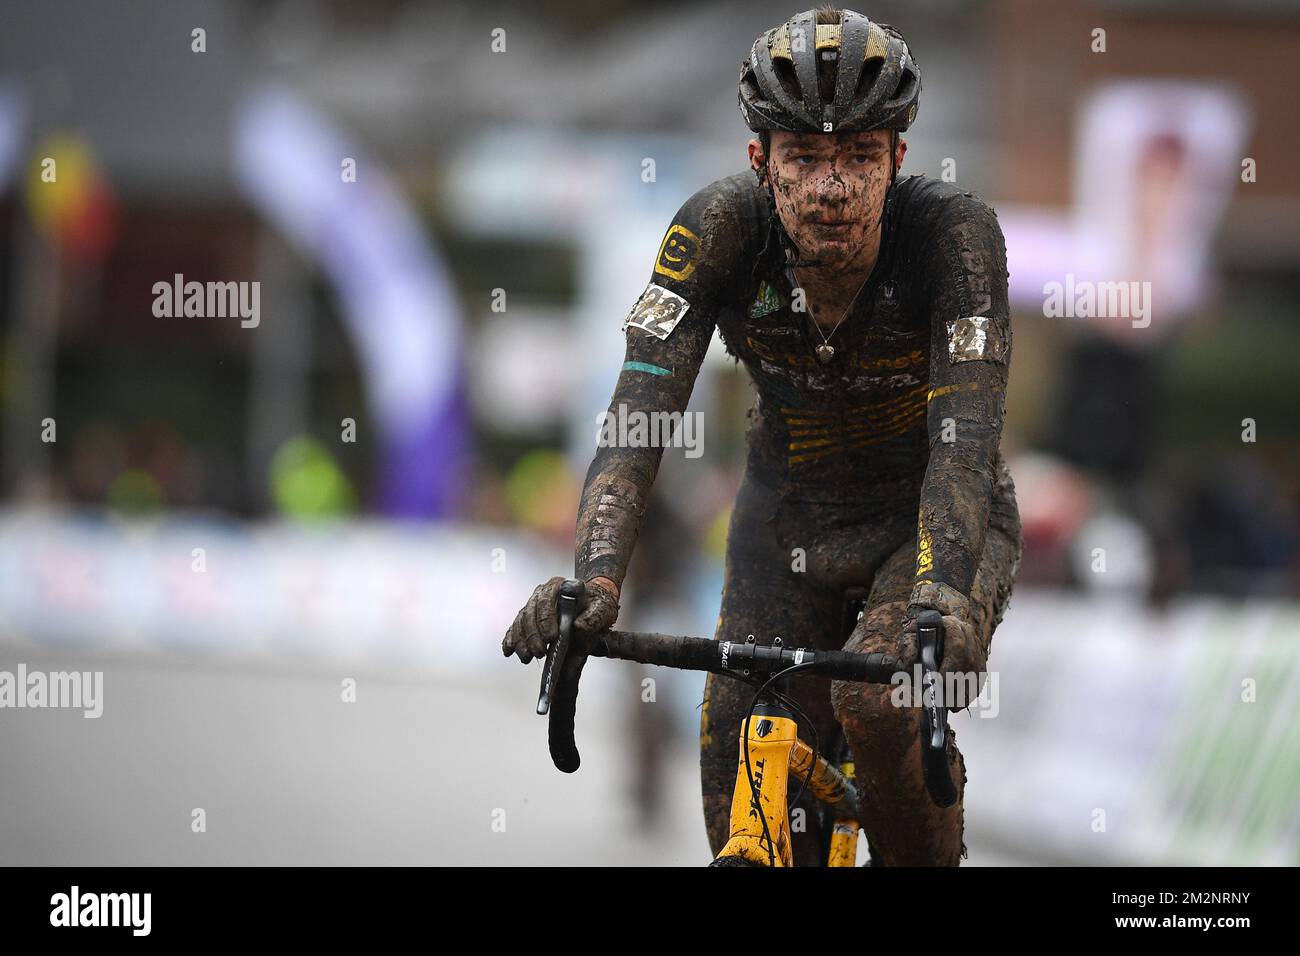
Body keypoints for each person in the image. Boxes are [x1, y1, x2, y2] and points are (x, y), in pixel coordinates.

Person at [503, 5, 1023, 866]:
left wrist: (948, 593)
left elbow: (964, 441)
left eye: (860, 156)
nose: (831, 187)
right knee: (734, 771)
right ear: (761, 161)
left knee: (876, 702)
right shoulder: (715, 229)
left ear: (898, 159)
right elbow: (639, 411)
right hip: (786, 526)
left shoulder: (956, 238)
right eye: (805, 157)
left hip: (927, 524)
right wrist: (593, 577)